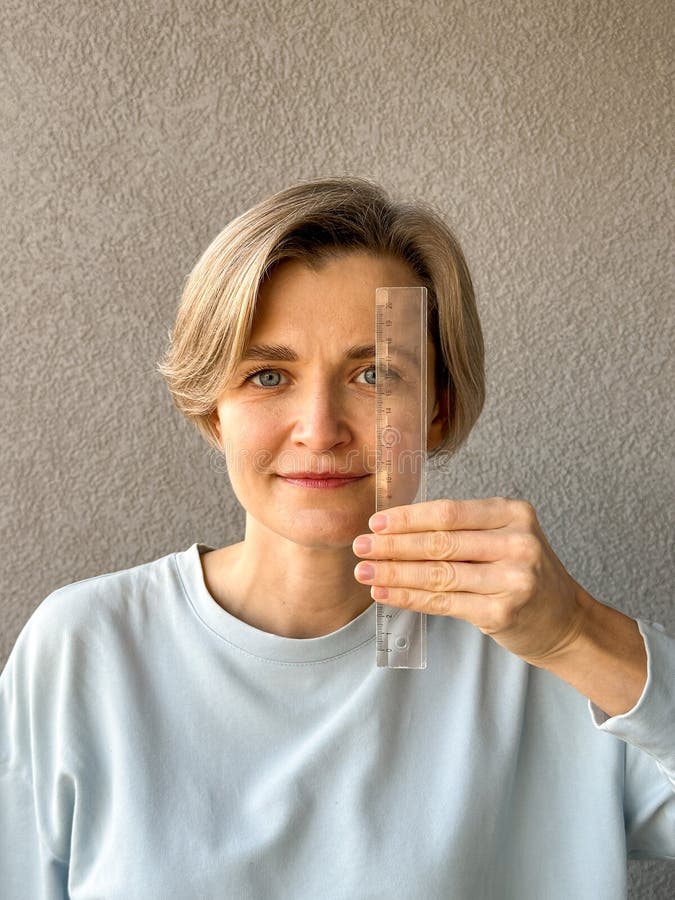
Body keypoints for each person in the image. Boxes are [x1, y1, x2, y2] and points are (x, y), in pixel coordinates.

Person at [1, 177, 673, 899]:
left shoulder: (548, 660)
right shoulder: (86, 649)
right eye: (267, 375)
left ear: (437, 409)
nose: (319, 428)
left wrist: (575, 634)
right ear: (212, 412)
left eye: (373, 373)